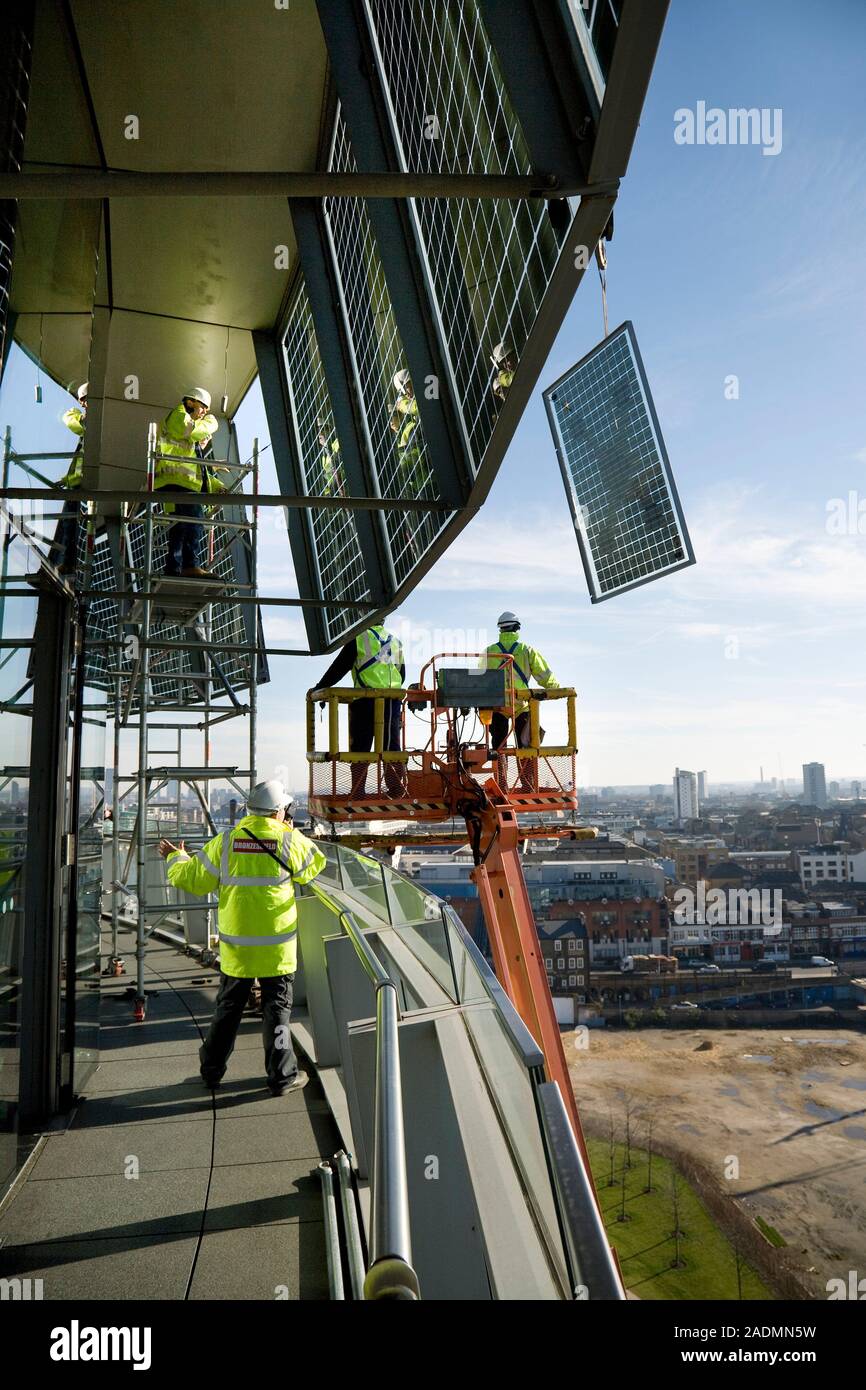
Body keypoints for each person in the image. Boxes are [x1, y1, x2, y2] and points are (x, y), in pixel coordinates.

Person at [158, 780, 325, 1095]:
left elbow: (192, 879)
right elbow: (314, 865)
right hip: (277, 946)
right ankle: (282, 1076)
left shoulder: (226, 841)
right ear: (279, 811)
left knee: (229, 1007)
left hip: (238, 947)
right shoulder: (289, 840)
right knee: (277, 1006)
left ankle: (211, 1070)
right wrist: (291, 831)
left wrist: (174, 858)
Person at [314, 623, 406, 799]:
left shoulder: (359, 638)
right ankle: (396, 790)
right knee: (391, 748)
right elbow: (402, 675)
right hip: (392, 701)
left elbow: (339, 668)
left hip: (365, 701)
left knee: (360, 748)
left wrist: (319, 688)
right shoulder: (395, 642)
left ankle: (357, 791)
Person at [485, 610, 558, 792]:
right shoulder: (526, 650)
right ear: (517, 628)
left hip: (498, 705)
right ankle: (528, 784)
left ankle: (501, 785)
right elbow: (544, 676)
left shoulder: (490, 652)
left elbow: (482, 680)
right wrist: (556, 690)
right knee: (526, 745)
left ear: (500, 630)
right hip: (522, 704)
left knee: (499, 746)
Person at [155, 387, 222, 577]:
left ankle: (173, 569)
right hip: (177, 482)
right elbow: (191, 430)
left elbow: (196, 469)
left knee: (179, 528)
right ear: (191, 402)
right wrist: (211, 423)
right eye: (203, 408)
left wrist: (217, 486)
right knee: (194, 523)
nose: (204, 413)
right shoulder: (178, 415)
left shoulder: (186, 430)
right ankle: (190, 565)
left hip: (176, 482)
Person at [55, 382, 87, 574]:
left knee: (73, 519)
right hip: (79, 480)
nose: (83, 404)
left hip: (88, 480)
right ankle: (70, 563)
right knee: (71, 520)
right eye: (82, 401)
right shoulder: (81, 416)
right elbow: (71, 420)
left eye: (85, 400)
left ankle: (70, 563)